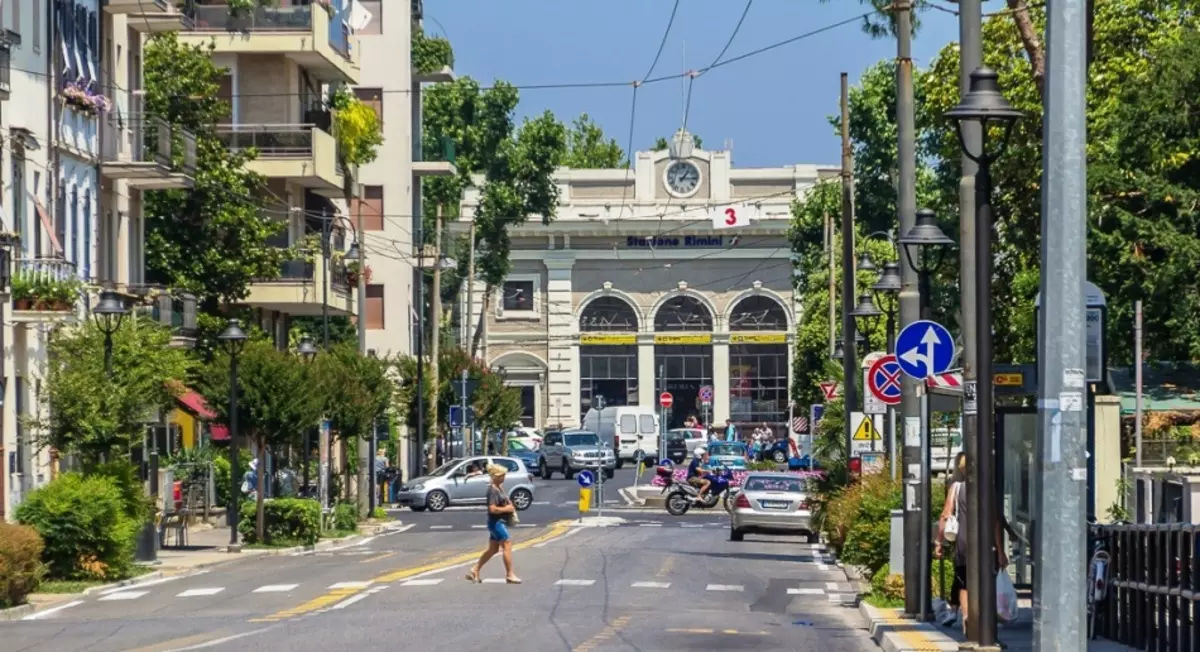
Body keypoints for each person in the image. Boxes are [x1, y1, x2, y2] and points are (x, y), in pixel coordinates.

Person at [935, 452, 1008, 633]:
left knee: (964, 581)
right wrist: (1000, 550)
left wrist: (938, 541)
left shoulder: (956, 488)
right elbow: (995, 522)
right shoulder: (988, 490)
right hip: (986, 544)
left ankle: (967, 617)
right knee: (986, 580)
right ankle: (984, 616)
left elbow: (945, 515)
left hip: (963, 543)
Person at [465, 464, 521, 584]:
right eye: (501, 476)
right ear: (495, 476)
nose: (503, 478)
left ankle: (475, 569)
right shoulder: (492, 491)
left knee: (493, 549)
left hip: (496, 523)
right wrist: (507, 509)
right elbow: (492, 509)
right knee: (507, 544)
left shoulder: (499, 488)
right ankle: (510, 574)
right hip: (496, 523)